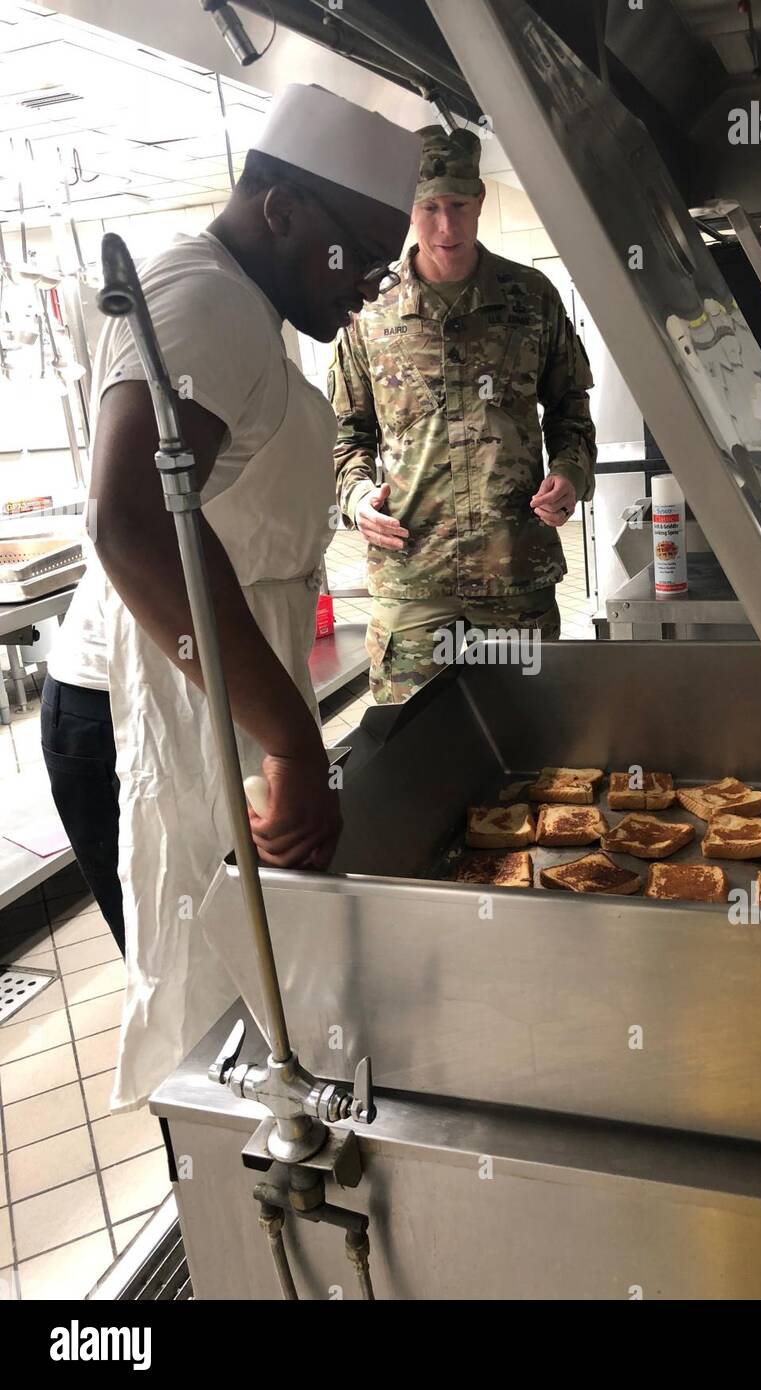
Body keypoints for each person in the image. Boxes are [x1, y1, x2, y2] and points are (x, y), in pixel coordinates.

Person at [42, 83, 420, 1111]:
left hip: (211, 687)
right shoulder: (204, 297)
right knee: (208, 1026)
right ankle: (224, 1213)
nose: (374, 289)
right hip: (142, 704)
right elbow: (128, 521)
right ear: (283, 209)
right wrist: (295, 744)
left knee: (249, 1004)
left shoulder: (245, 306)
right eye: (365, 259)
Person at [329, 124, 597, 703]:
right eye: (429, 207)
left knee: (530, 741)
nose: (445, 226)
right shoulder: (368, 312)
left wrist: (572, 474)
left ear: (480, 202)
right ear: (409, 208)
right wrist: (354, 498)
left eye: (459, 205)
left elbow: (572, 409)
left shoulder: (532, 298)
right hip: (413, 577)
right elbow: (346, 434)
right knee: (411, 745)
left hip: (514, 570)